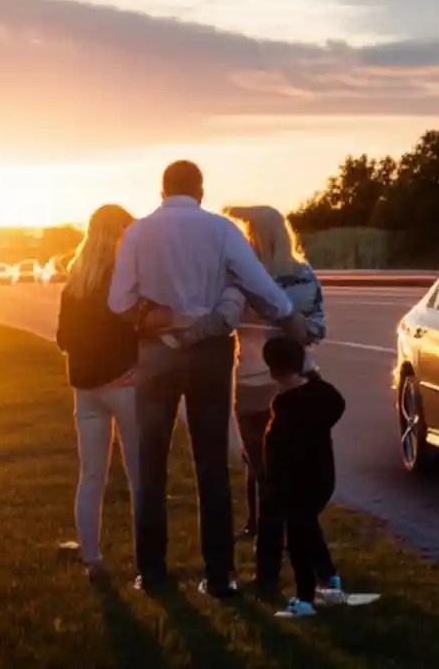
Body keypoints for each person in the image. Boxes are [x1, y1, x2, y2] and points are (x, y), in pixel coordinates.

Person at [108, 160, 307, 597]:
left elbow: (118, 300)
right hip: (211, 354)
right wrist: (291, 318)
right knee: (212, 464)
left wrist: (157, 317)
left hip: (158, 352)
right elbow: (259, 285)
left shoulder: (138, 233)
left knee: (151, 465)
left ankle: (153, 573)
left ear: (162, 192)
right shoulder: (220, 231)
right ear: (200, 191)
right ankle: (219, 575)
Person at [162, 205, 327, 541]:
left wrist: (184, 333)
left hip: (254, 383)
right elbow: (317, 329)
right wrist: (290, 330)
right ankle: (290, 535)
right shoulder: (305, 275)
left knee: (259, 464)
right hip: (299, 381)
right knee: (292, 464)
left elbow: (223, 319)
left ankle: (268, 542)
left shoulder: (239, 280)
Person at [54, 204, 141, 583]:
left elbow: (62, 340)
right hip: (124, 383)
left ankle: (93, 557)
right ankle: (147, 560)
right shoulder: (122, 278)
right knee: (141, 475)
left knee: (91, 475)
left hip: (85, 389)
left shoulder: (75, 282)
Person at [254, 336, 346, 617]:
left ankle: (305, 598)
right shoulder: (322, 395)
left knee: (298, 539)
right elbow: (337, 404)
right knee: (309, 528)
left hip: (295, 486)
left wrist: (272, 489)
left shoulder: (284, 410)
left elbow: (277, 458)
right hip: (322, 480)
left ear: (271, 371)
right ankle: (329, 579)